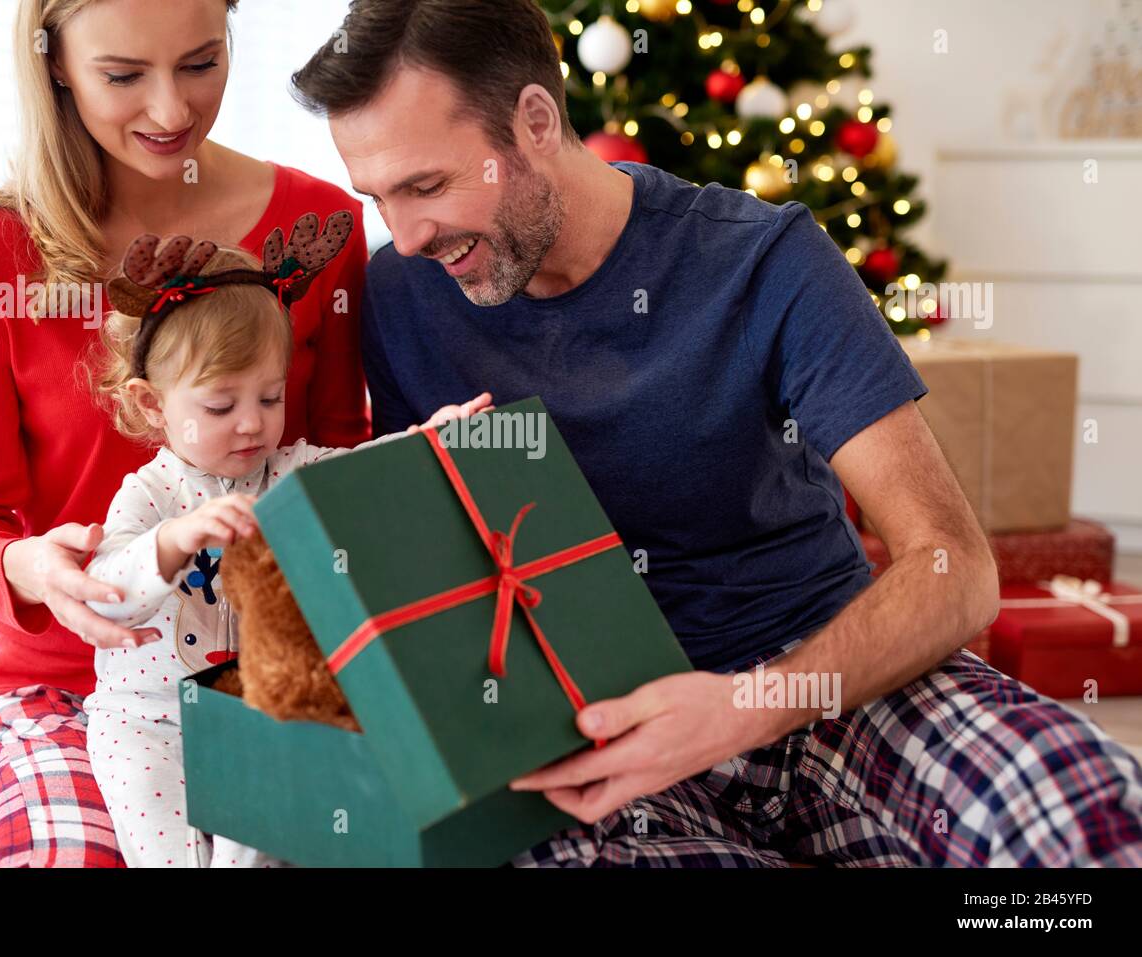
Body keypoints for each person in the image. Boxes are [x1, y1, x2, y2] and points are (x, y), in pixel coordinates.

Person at [290, 0, 1142, 865]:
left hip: (823, 676)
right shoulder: (401, 293)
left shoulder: (762, 258)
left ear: (536, 122)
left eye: (427, 186)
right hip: (594, 726)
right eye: (379, 197)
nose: (404, 234)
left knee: (1083, 809)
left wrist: (742, 707)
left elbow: (954, 569)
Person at [0, 0, 372, 867]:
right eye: (124, 76)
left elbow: (336, 472)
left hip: (268, 674)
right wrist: (33, 566)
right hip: (68, 681)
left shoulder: (317, 231)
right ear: (54, 62)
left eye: (201, 63)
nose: (172, 113)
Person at [80, 227, 489, 866]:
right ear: (152, 404)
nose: (252, 423)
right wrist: (172, 541)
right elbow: (108, 597)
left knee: (281, 826)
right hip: (149, 721)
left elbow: (361, 475)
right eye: (220, 406)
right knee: (163, 844)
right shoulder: (150, 495)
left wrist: (427, 444)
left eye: (270, 397)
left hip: (258, 709)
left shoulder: (289, 469)